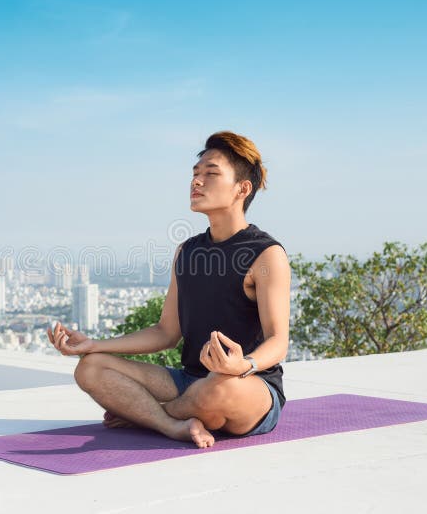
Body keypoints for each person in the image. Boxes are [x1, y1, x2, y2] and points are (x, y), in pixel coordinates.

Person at [47, 130, 291, 448]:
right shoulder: (187, 251)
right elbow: (165, 333)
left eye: (211, 174)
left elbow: (278, 341)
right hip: (189, 381)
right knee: (91, 368)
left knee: (218, 388)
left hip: (248, 385)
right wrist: (94, 345)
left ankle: (150, 415)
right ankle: (172, 425)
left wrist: (242, 365)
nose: (197, 182)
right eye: (195, 174)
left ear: (242, 189)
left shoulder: (266, 253)